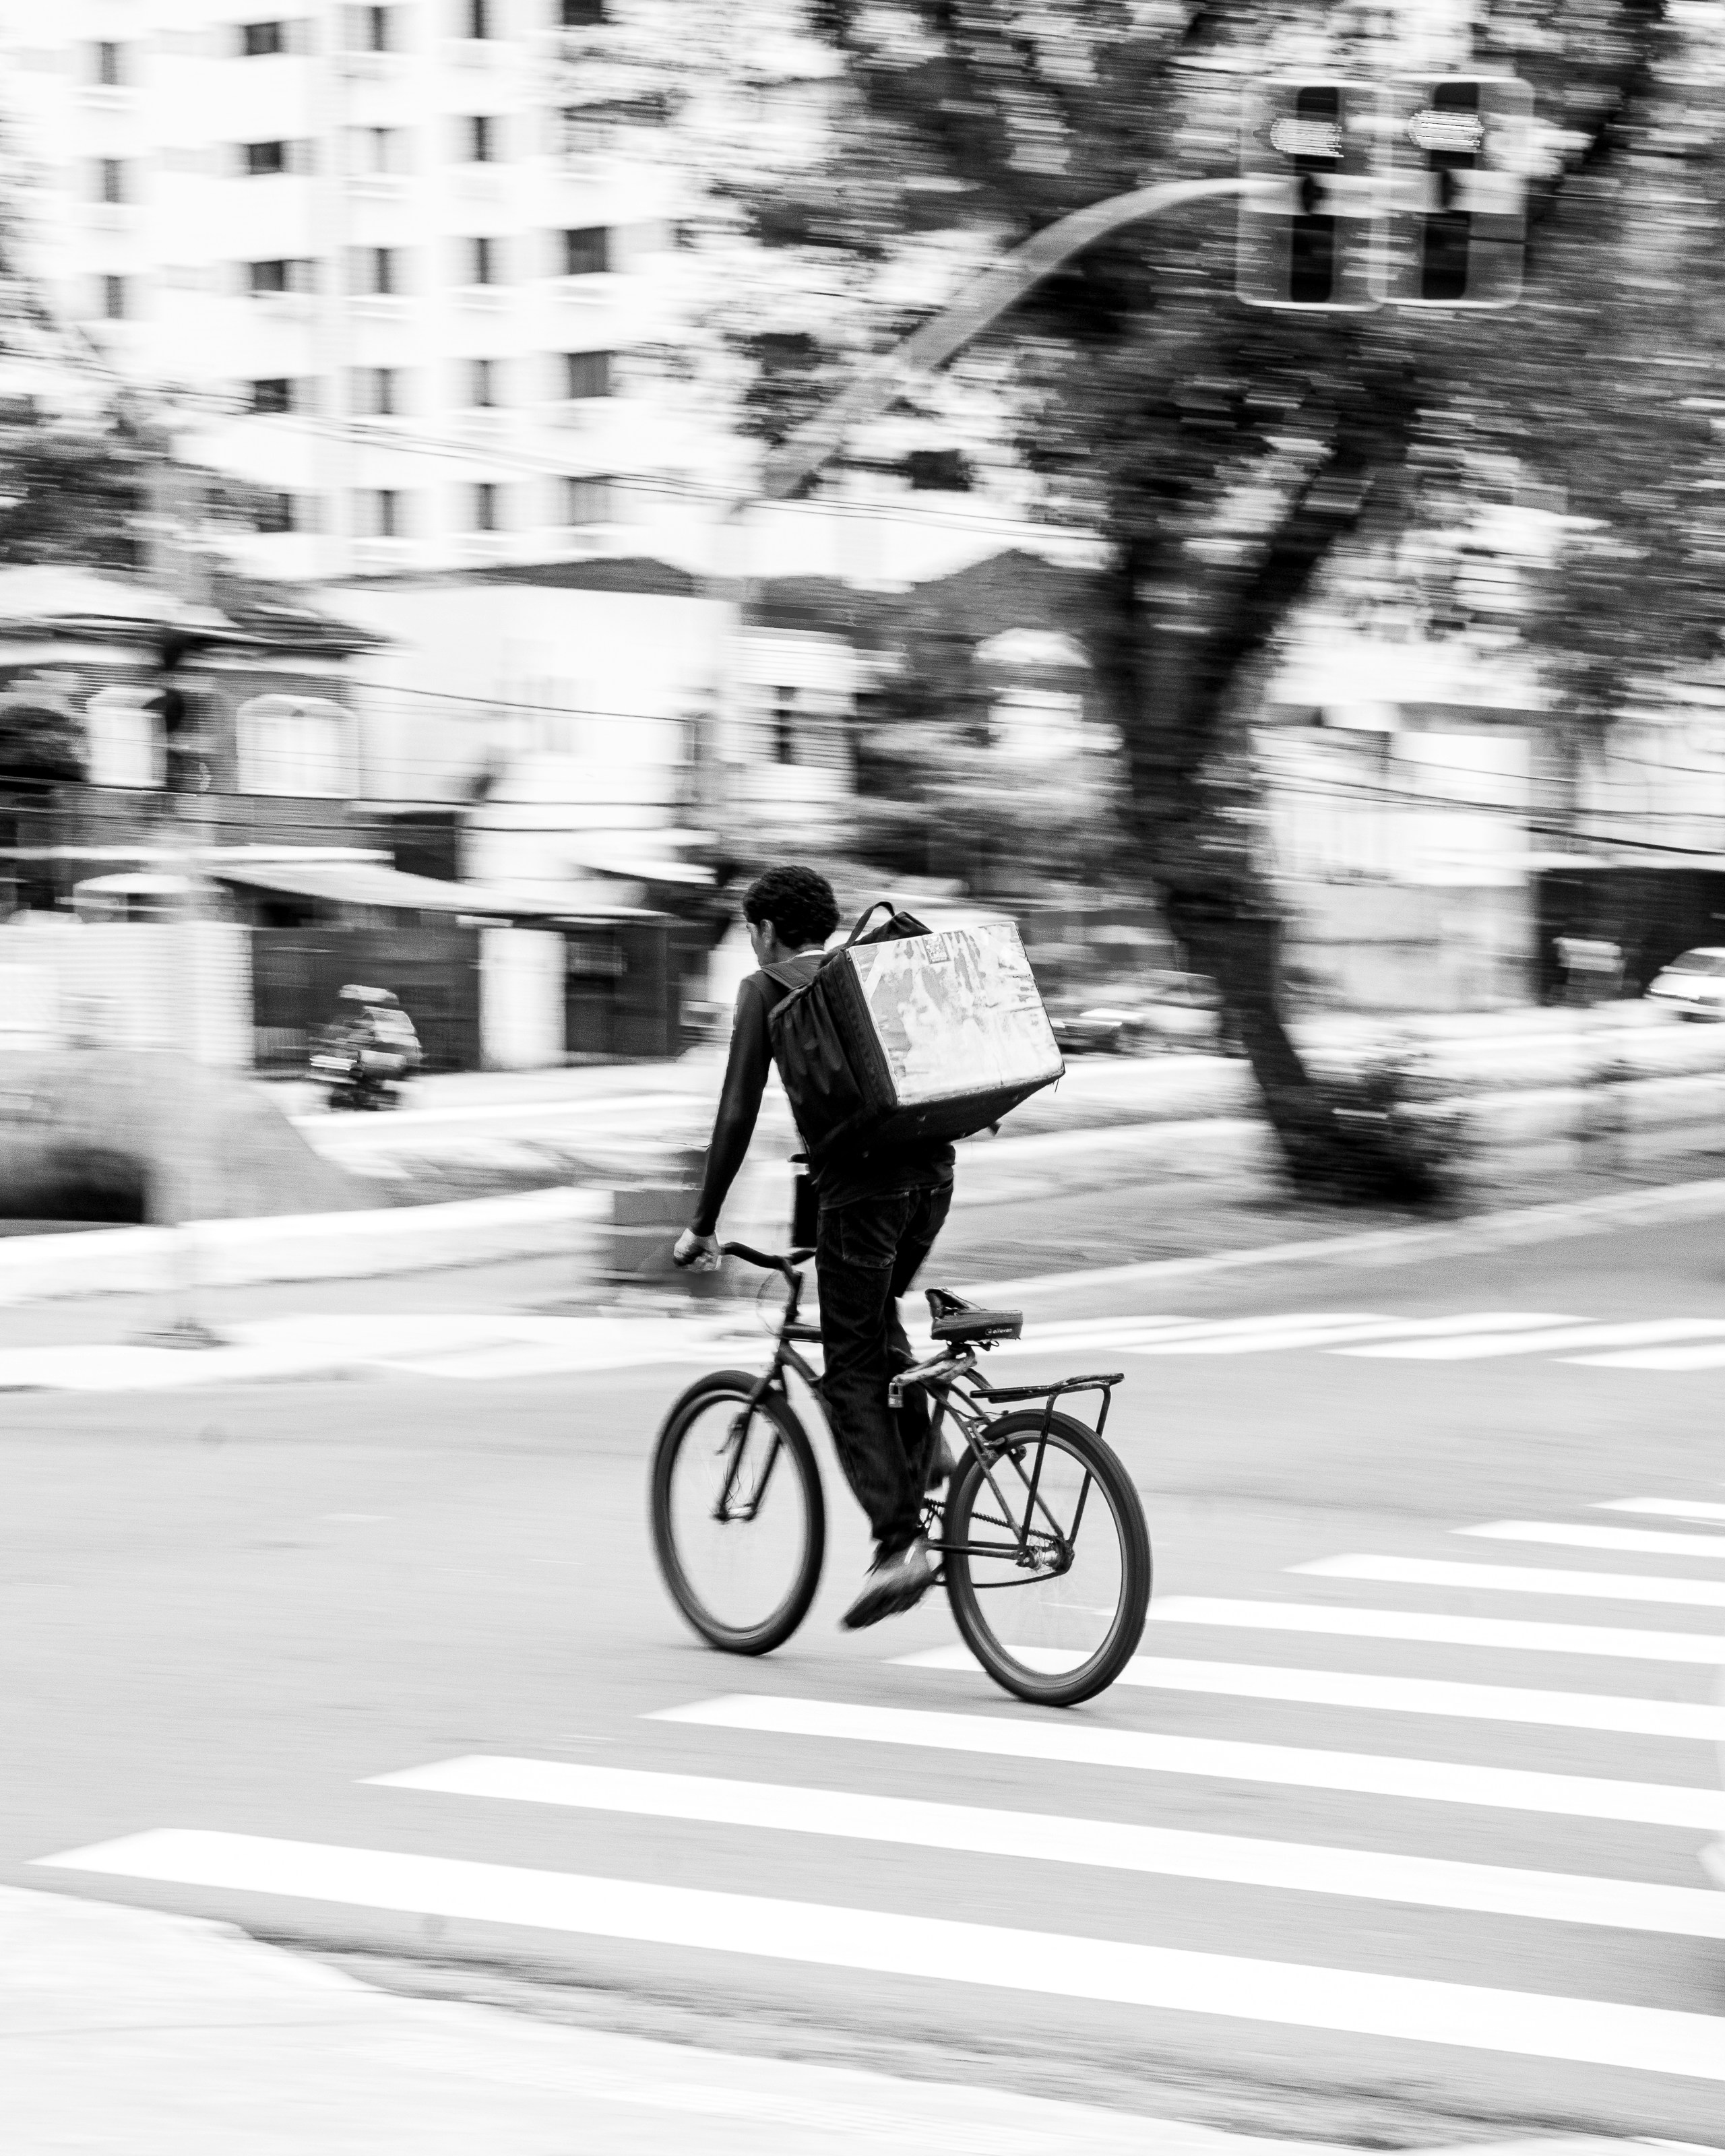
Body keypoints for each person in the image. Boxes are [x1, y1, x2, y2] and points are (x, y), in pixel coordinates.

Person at [674, 865, 954, 1631]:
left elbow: (736, 1111)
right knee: (872, 1318)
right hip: (932, 1179)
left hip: (861, 1195)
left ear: (762, 931)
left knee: (851, 1363)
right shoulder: (864, 970)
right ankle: (926, 1454)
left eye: (748, 934)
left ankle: (898, 1544)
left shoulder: (768, 989)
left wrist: (702, 1222)